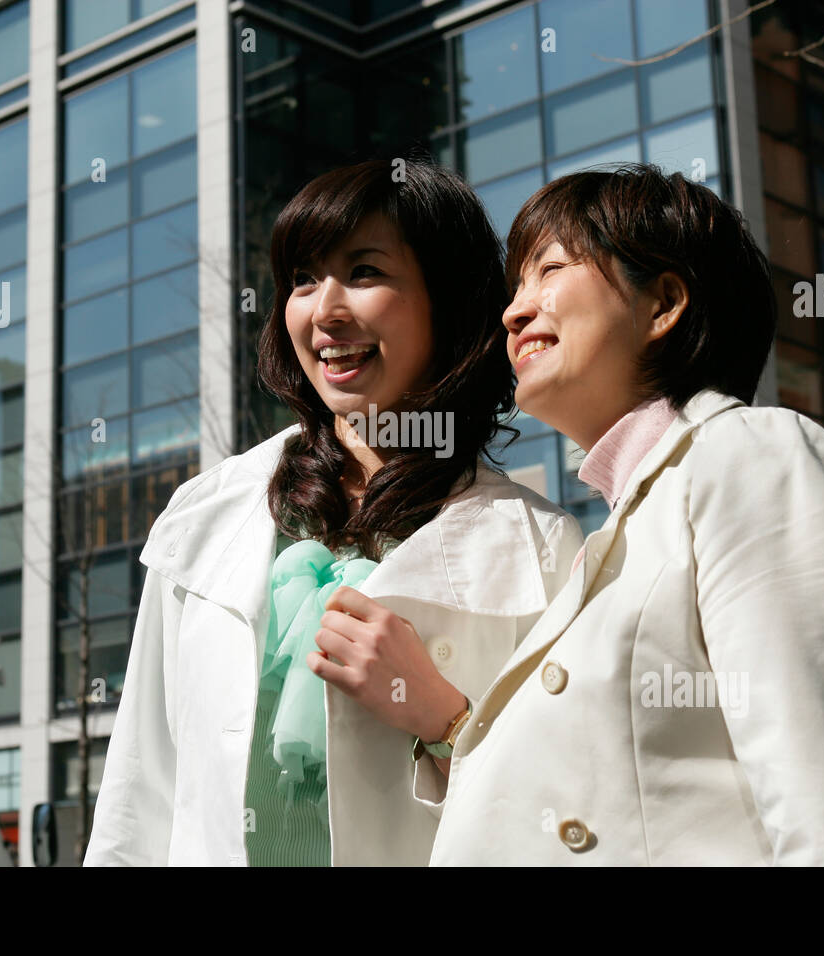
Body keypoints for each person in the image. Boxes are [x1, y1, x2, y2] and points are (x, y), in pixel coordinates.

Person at [83, 158, 582, 866]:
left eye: (366, 272)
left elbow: (569, 810)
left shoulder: (542, 550)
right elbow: (142, 792)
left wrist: (443, 719)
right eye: (303, 279)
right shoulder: (208, 513)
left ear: (450, 300)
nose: (324, 310)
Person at [425, 164, 824, 865]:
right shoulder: (616, 534)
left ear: (663, 302)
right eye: (516, 286)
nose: (514, 311)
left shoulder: (749, 453)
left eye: (550, 270)